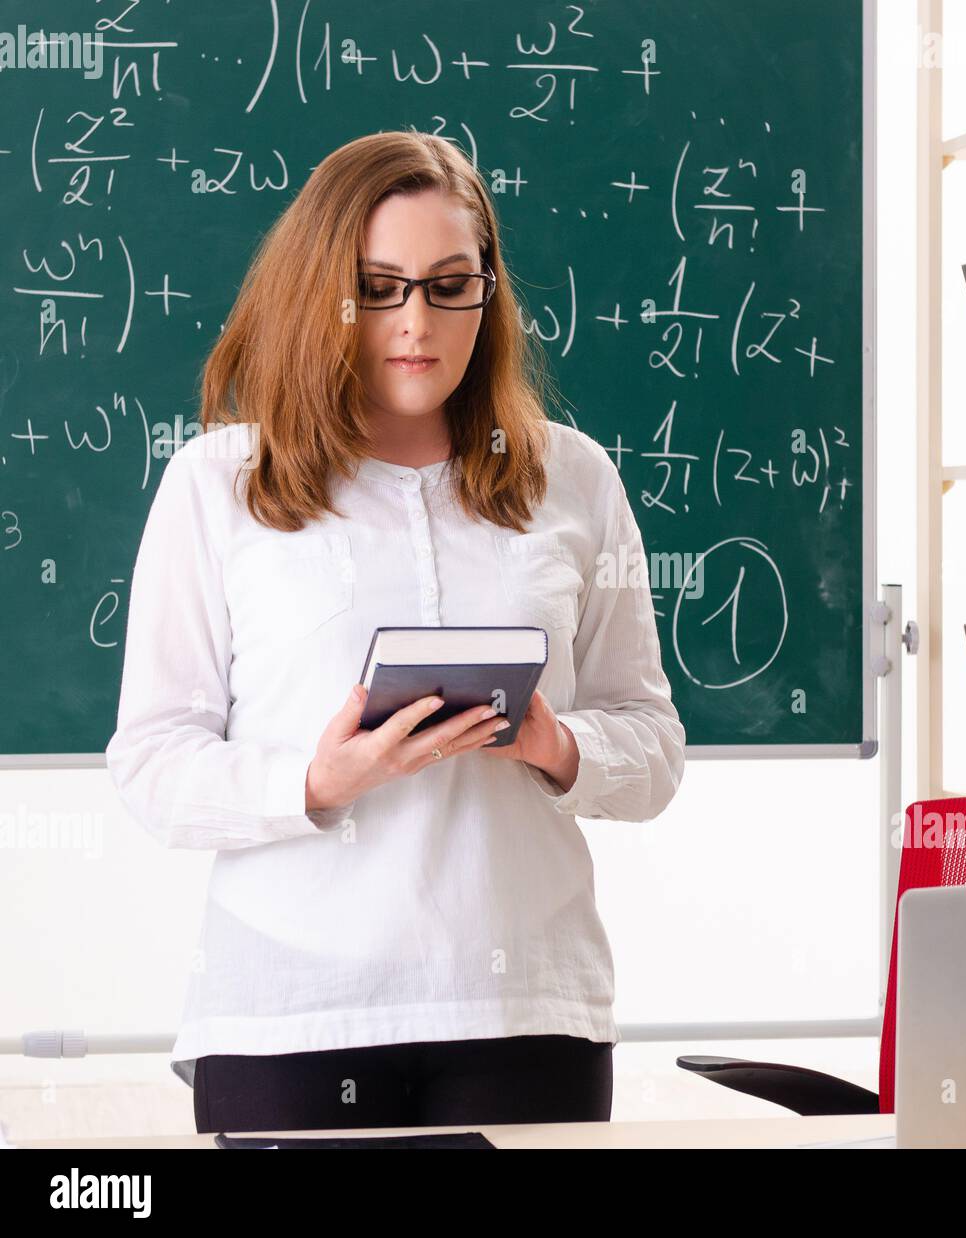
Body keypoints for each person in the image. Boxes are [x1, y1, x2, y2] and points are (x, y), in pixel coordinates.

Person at [104, 129, 686, 1135]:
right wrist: (317, 779)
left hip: (525, 1009)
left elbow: (654, 743)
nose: (416, 322)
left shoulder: (573, 477)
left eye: (449, 283)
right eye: (378, 287)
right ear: (321, 292)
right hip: (289, 1016)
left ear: (486, 293)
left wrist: (556, 745)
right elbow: (152, 761)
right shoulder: (220, 485)